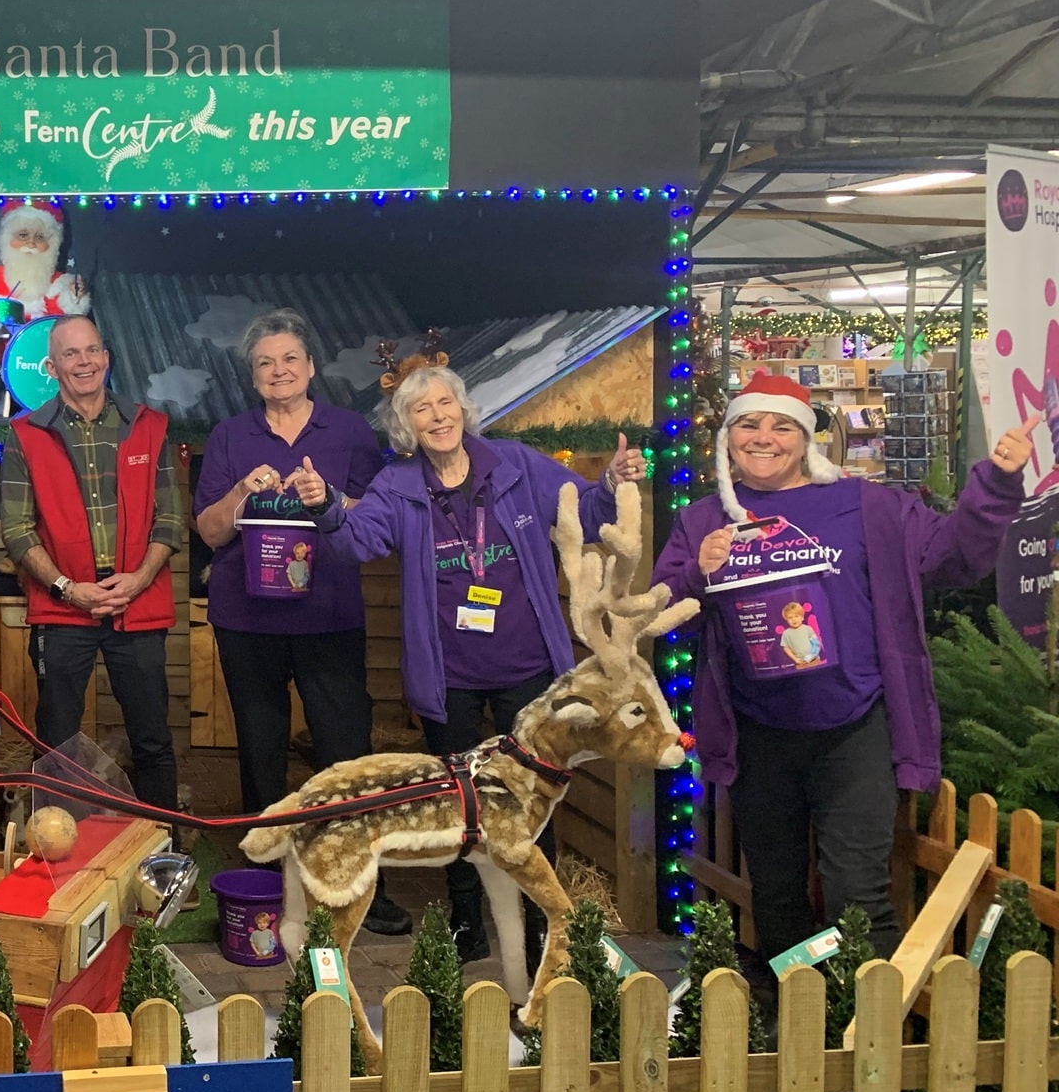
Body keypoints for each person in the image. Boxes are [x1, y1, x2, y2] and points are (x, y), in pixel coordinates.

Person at [655, 370, 1033, 963]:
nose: (764, 437)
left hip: (855, 728)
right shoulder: (703, 520)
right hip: (758, 734)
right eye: (749, 424)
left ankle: (865, 1036)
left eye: (782, 426)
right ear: (728, 437)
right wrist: (695, 573)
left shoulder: (869, 506)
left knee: (858, 899)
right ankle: (793, 1030)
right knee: (776, 896)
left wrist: (998, 483)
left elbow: (951, 561)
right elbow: (664, 617)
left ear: (806, 439)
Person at [302, 364, 648, 956]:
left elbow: (582, 513)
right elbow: (356, 540)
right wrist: (327, 508)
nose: (437, 416)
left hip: (528, 665)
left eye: (446, 403)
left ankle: (545, 920)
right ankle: (467, 917)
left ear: (462, 409)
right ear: (406, 426)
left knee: (534, 799)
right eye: (421, 409)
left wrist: (611, 482)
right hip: (449, 676)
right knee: (457, 801)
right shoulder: (398, 485)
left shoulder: (515, 464)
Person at [192, 308, 405, 931]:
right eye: (265, 363)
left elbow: (381, 521)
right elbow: (207, 529)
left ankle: (360, 884)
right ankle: (264, 883)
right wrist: (240, 496)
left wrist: (329, 499)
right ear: (252, 377)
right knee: (260, 752)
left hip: (329, 616)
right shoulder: (231, 437)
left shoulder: (352, 434)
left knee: (344, 753)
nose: (278, 371)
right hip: (246, 618)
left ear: (310, 368)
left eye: (290, 360)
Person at [2, 315, 182, 810]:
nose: (83, 362)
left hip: (137, 604)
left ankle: (162, 850)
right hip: (63, 608)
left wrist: (140, 579)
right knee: (56, 741)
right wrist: (67, 587)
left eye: (92, 351)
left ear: (105, 357)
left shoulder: (149, 426)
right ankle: (58, 852)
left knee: (152, 739)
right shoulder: (26, 435)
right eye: (70, 354)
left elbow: (170, 520)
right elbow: (17, 531)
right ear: (52, 366)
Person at [0, 199, 89, 322]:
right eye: (23, 235)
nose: (31, 243)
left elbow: (70, 323)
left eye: (40, 237)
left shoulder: (60, 284)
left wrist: (75, 298)